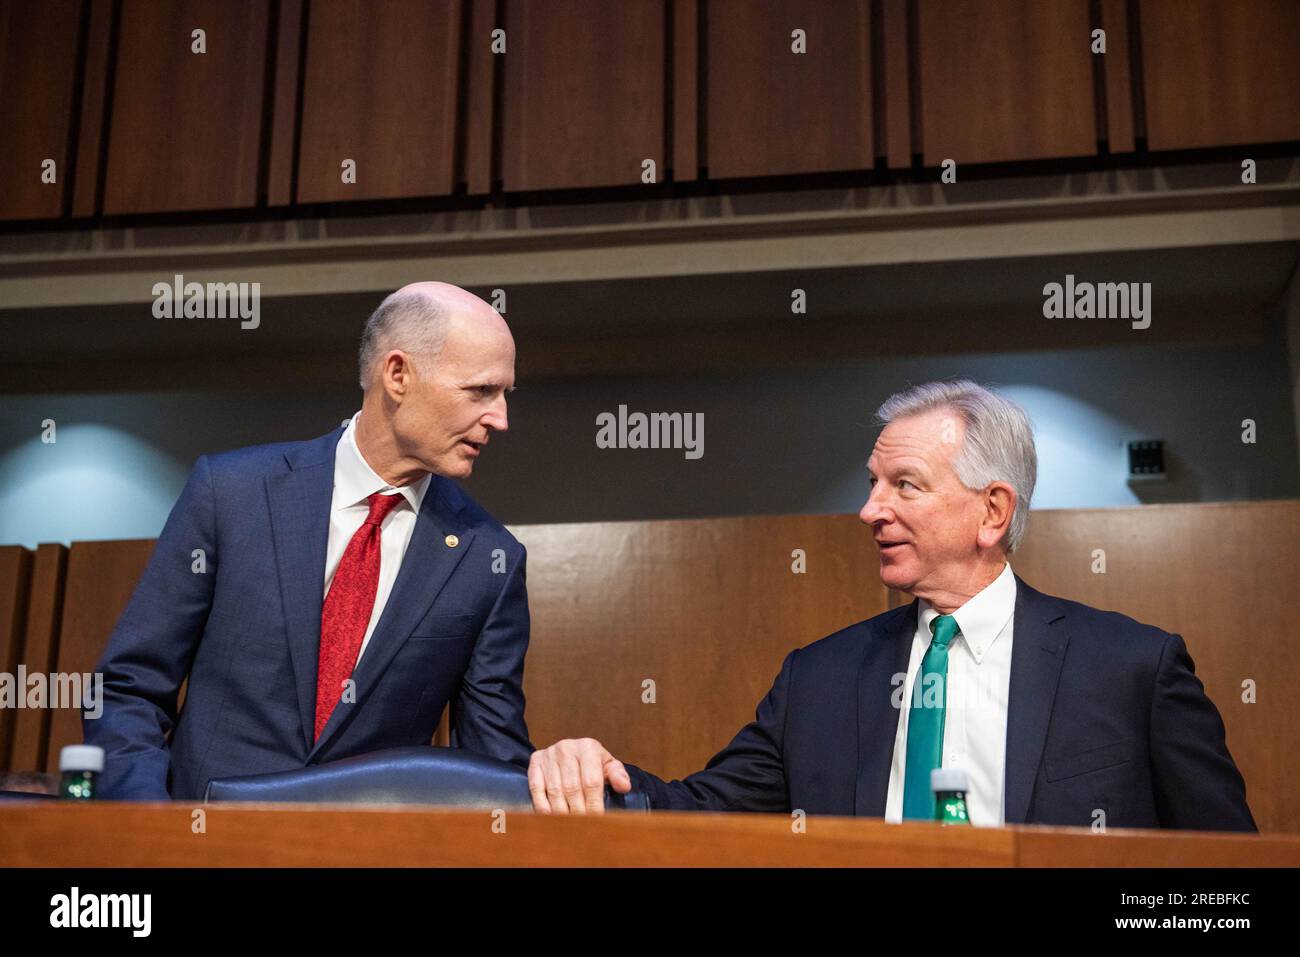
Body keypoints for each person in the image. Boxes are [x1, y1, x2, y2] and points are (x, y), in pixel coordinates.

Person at [528, 379, 1256, 831]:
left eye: (903, 484)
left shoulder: (1132, 667)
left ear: (992, 512)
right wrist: (598, 770)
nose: (870, 510)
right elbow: (697, 812)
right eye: (874, 484)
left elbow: (1228, 895)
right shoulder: (818, 677)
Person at [84, 281, 533, 800]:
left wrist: (565, 770)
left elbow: (493, 765)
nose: (500, 418)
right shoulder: (231, 494)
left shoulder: (488, 559)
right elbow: (126, 689)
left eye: (504, 395)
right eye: (480, 391)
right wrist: (149, 829)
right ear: (398, 375)